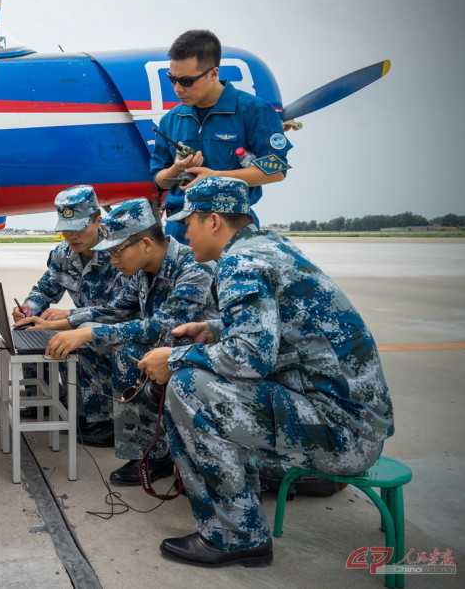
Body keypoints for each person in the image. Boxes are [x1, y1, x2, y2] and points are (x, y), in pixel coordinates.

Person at [139, 177, 394, 568]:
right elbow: (279, 331)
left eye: (188, 221)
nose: (182, 232)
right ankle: (241, 517)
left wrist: (172, 358)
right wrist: (212, 331)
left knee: (189, 387)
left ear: (214, 222)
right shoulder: (269, 247)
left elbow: (250, 357)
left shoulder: (241, 261)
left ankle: (238, 537)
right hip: (356, 424)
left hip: (344, 436)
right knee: (205, 377)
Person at [17, 198, 216, 486]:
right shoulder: (143, 271)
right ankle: (134, 441)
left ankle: (155, 453)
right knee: (90, 337)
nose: (112, 260)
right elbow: (112, 310)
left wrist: (87, 332)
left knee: (126, 350)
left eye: (116, 252)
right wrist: (58, 325)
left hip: (198, 359)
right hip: (167, 352)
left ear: (146, 244)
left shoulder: (193, 267)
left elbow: (164, 326)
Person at [150, 29, 293, 244]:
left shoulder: (254, 111)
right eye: (172, 79)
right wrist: (176, 169)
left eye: (187, 81)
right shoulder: (171, 119)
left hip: (231, 231)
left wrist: (215, 177)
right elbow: (158, 180)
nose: (178, 88)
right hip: (179, 233)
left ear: (213, 73)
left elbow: (276, 171)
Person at [12, 185, 127, 446]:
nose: (71, 236)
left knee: (77, 335)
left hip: (118, 333)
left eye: (79, 228)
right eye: (66, 228)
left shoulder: (118, 252)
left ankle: (101, 420)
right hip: (82, 324)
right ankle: (42, 402)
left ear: (98, 220)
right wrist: (29, 308)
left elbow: (123, 309)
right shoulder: (64, 254)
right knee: (30, 330)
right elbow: (44, 289)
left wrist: (70, 316)